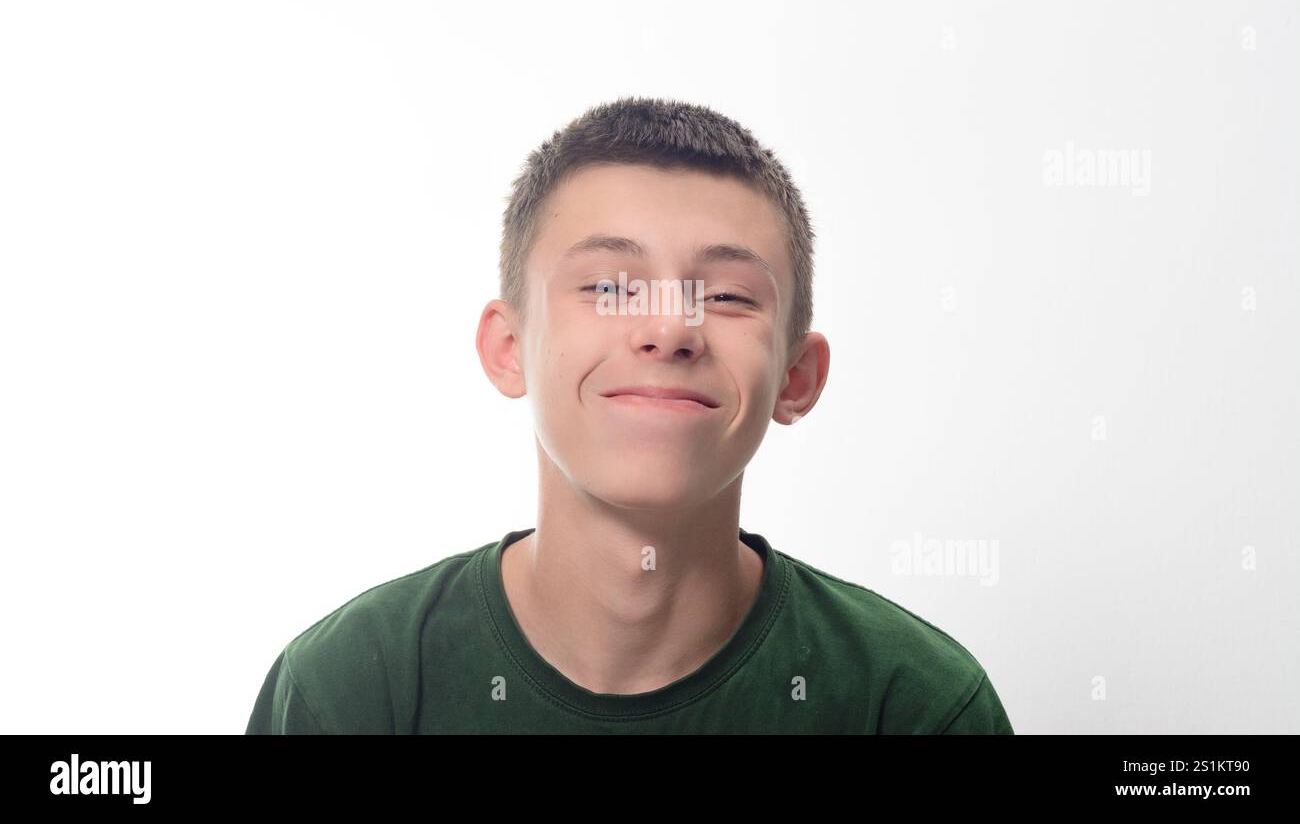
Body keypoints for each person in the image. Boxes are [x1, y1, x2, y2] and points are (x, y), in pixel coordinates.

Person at [245, 96, 1014, 734]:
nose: (671, 328)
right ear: (508, 348)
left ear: (796, 376)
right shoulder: (351, 689)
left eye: (726, 295)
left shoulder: (914, 708)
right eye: (612, 286)